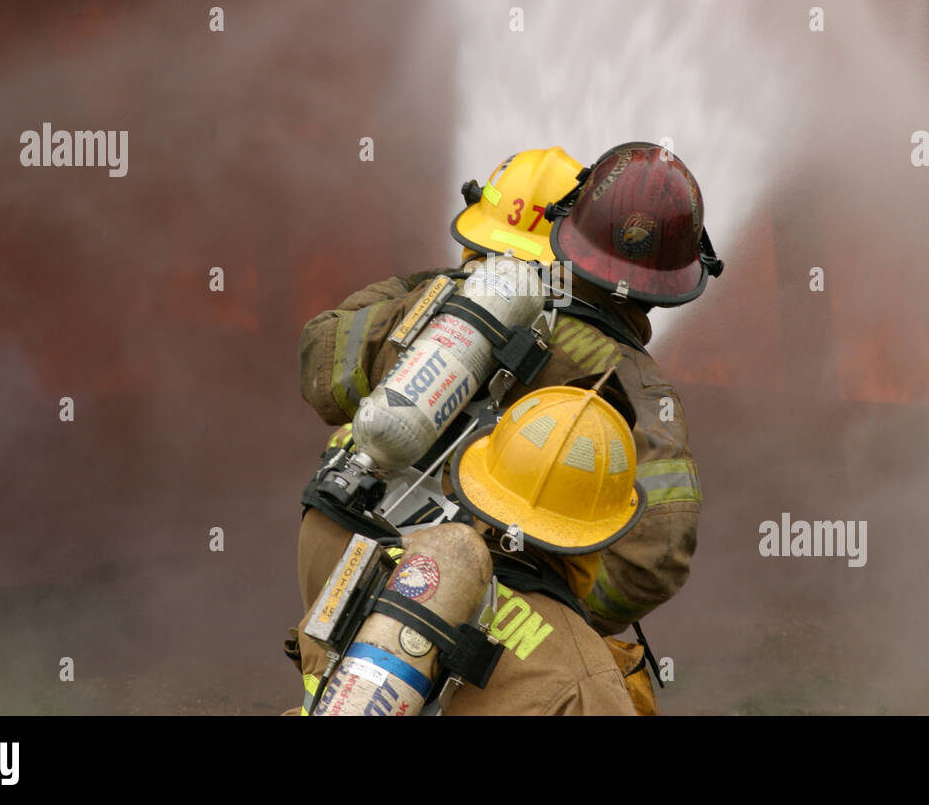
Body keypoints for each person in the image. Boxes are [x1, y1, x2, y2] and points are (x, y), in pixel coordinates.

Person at [296, 143, 722, 638]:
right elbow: (657, 556)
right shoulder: (638, 386)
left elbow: (323, 370)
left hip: (344, 540)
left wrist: (425, 287)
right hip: (480, 616)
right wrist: (559, 614)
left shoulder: (451, 307)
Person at [294, 384, 652, 715]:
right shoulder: (586, 674)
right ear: (605, 530)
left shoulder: (393, 567)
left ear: (480, 480)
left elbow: (313, 657)